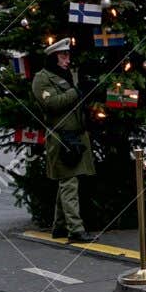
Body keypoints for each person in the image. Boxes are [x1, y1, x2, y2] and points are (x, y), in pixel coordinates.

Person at [31, 38, 95, 243]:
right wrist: (75, 91)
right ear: (53, 57)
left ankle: (59, 227)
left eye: (68, 55)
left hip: (76, 135)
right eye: (63, 55)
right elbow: (51, 104)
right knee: (69, 182)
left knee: (67, 181)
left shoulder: (68, 76)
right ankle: (75, 229)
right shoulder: (42, 79)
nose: (67, 59)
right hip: (61, 137)